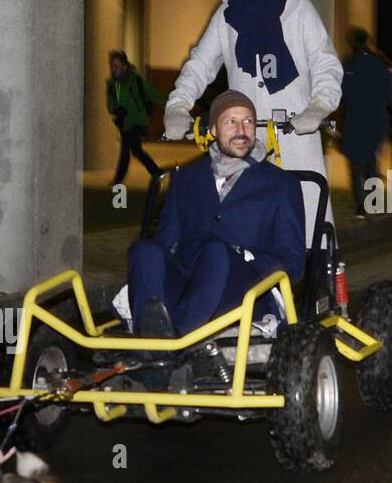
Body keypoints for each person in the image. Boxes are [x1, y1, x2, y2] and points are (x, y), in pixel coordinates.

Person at [163, 0, 342, 245]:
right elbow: (200, 64)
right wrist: (178, 105)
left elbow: (325, 65)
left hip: (293, 131)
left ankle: (322, 282)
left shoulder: (298, 9)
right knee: (242, 226)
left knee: (307, 223)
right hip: (243, 133)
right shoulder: (226, 14)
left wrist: (318, 106)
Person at [127, 91, 304, 340]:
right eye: (231, 122)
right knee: (144, 251)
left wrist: (244, 256)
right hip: (188, 284)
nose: (241, 130)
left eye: (248, 121)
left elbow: (294, 263)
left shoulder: (281, 185)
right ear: (213, 130)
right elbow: (166, 244)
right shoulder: (187, 178)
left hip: (242, 290)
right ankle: (150, 334)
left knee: (216, 251)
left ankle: (173, 341)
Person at [340, 27, 392, 218]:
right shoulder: (380, 64)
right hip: (377, 121)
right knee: (373, 161)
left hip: (355, 121)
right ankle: (374, 202)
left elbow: (342, 95)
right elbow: (391, 96)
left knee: (356, 164)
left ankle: (360, 206)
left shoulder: (349, 66)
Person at [106, 50, 165, 188]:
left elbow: (152, 93)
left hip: (138, 122)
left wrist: (170, 105)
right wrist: (115, 109)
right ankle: (156, 172)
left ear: (124, 66)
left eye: (116, 65)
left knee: (126, 149)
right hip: (124, 123)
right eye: (111, 65)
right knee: (136, 151)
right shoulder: (112, 84)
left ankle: (118, 179)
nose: (113, 69)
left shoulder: (136, 80)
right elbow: (110, 103)